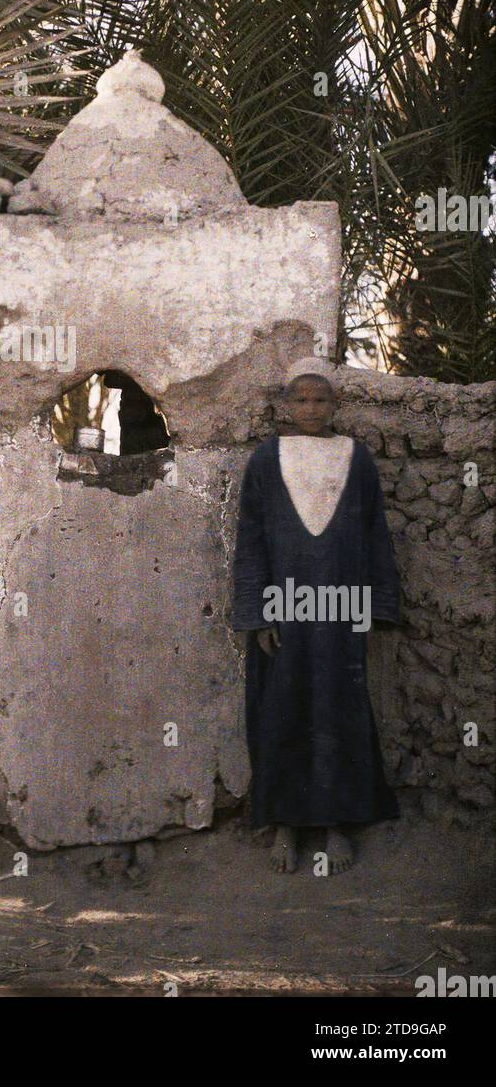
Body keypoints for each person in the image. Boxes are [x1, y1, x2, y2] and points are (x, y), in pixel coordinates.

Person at [232, 357, 400, 874]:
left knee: (337, 711)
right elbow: (253, 541)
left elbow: (374, 535)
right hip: (286, 612)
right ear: (286, 405)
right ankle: (284, 826)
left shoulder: (357, 458)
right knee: (282, 708)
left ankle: (336, 826)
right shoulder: (265, 459)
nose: (310, 408)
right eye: (300, 399)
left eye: (320, 398)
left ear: (336, 404)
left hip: (341, 610)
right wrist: (260, 614)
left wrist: (375, 607)